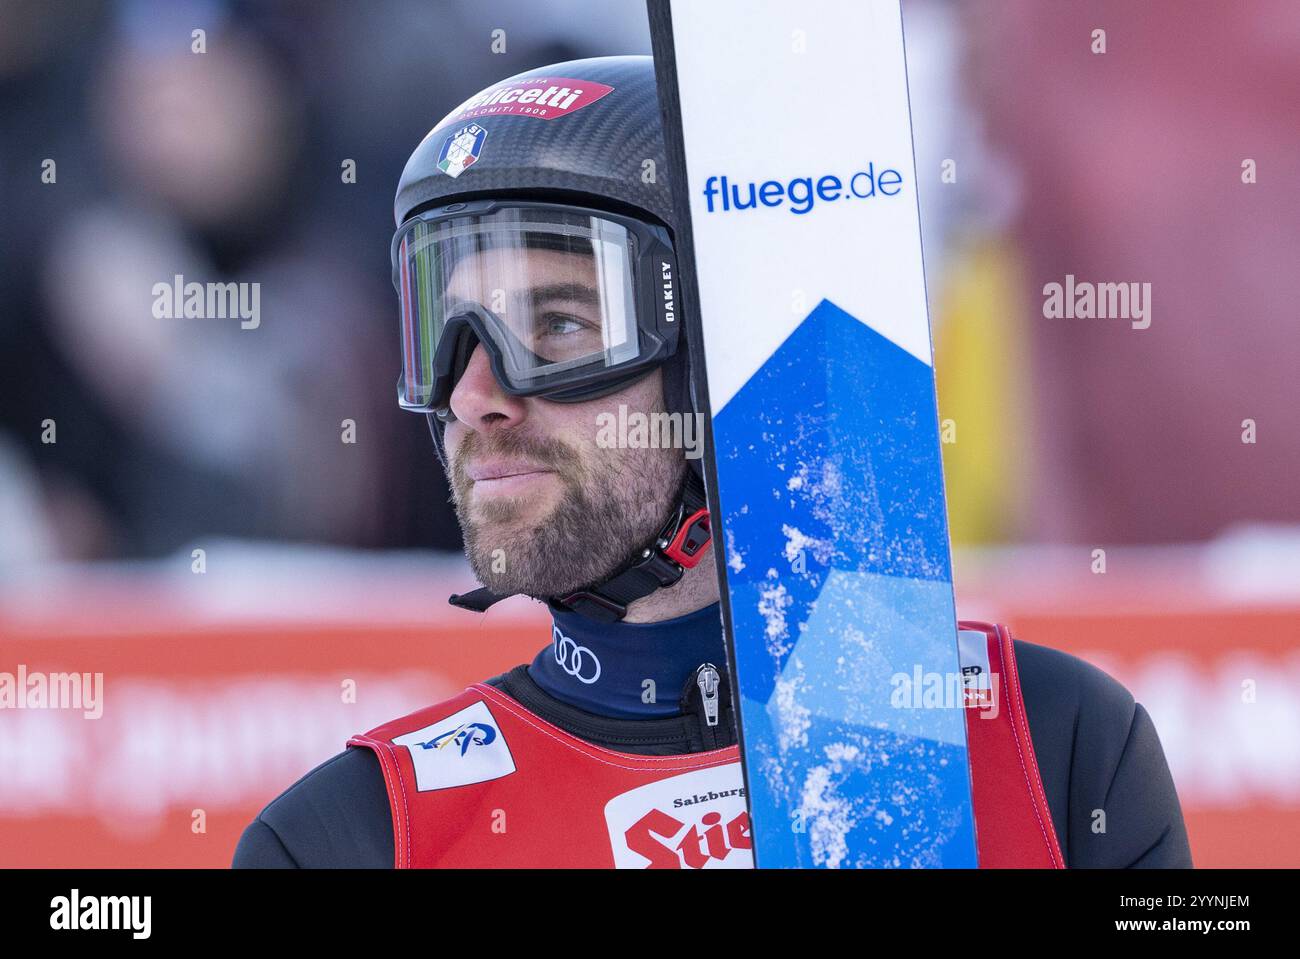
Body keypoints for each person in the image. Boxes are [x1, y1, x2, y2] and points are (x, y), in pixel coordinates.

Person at [233, 55, 1191, 869]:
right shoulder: (352, 840)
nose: (476, 395)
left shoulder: (1053, 748)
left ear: (723, 360)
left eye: (559, 325)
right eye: (449, 338)